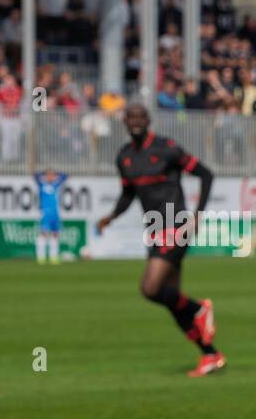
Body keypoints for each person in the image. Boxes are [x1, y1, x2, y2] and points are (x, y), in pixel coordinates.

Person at [95, 104, 224, 377]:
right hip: (154, 229)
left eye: (141, 117)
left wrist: (198, 215)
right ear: (125, 122)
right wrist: (111, 217)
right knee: (170, 301)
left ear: (149, 120)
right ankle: (210, 355)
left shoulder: (167, 148)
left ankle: (199, 308)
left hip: (176, 225)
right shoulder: (125, 157)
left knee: (150, 288)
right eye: (131, 117)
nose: (137, 121)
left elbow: (205, 173)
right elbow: (128, 194)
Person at [33, 169, 67, 264]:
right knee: (43, 233)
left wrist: (56, 174)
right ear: (45, 176)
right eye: (49, 175)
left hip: (55, 213)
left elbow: (65, 175)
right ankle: (41, 257)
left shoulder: (56, 184)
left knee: (55, 234)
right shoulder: (42, 184)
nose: (51, 177)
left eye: (52, 175)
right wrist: (44, 173)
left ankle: (53, 257)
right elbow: (35, 175)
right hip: (46, 212)